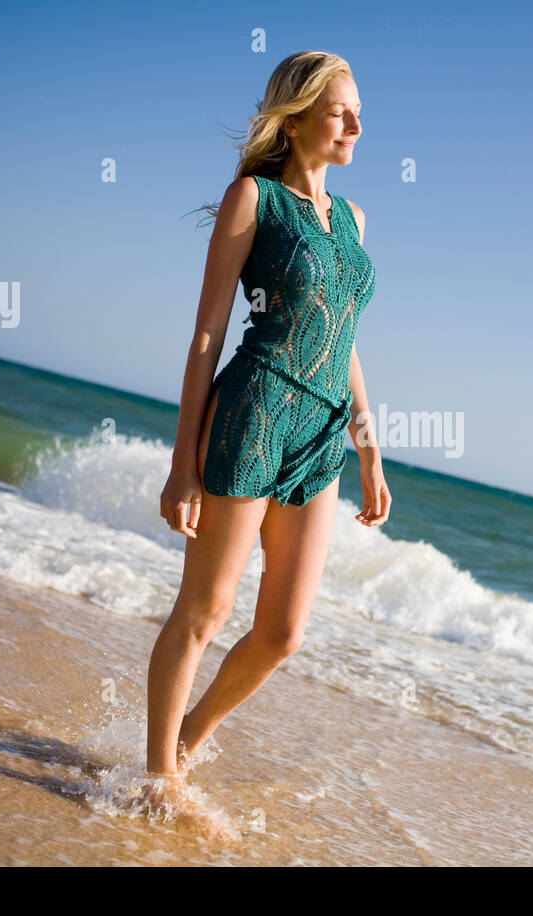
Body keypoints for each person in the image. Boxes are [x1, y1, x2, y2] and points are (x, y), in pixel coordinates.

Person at [144, 51, 390, 813]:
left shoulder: (353, 218)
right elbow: (207, 334)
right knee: (206, 612)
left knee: (282, 634)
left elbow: (343, 335)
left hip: (321, 434)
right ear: (297, 115)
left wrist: (368, 445)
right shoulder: (253, 198)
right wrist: (182, 464)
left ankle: (185, 744)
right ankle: (158, 781)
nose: (355, 125)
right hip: (253, 411)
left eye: (359, 112)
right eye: (340, 111)